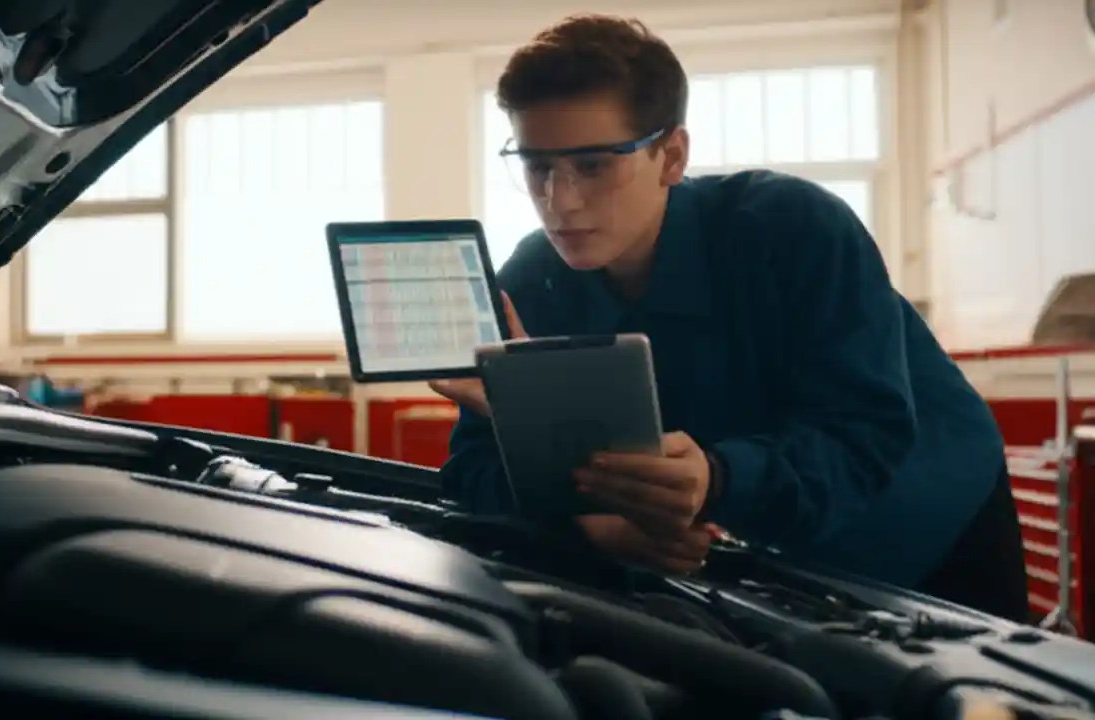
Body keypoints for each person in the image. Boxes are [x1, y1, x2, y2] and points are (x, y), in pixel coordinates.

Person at [431, 13, 1029, 621]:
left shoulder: (796, 229)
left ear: (671, 156)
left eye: (593, 165)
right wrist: (599, 528)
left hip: (926, 519)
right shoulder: (532, 279)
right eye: (537, 167)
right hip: (743, 561)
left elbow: (861, 437)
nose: (559, 201)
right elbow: (471, 472)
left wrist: (719, 480)